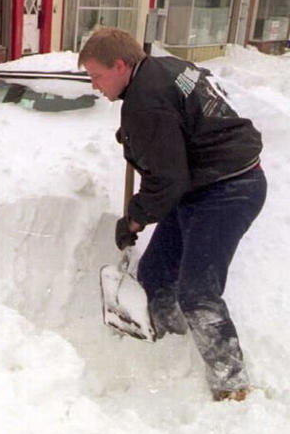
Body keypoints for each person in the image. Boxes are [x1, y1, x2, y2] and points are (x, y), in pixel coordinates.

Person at [79, 28, 266, 402]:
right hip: (203, 185)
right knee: (156, 272)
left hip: (227, 189)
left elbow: (167, 178)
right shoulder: (164, 70)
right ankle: (172, 343)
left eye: (97, 76)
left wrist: (135, 218)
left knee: (198, 290)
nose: (95, 86)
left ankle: (232, 384)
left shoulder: (146, 101)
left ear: (120, 65)